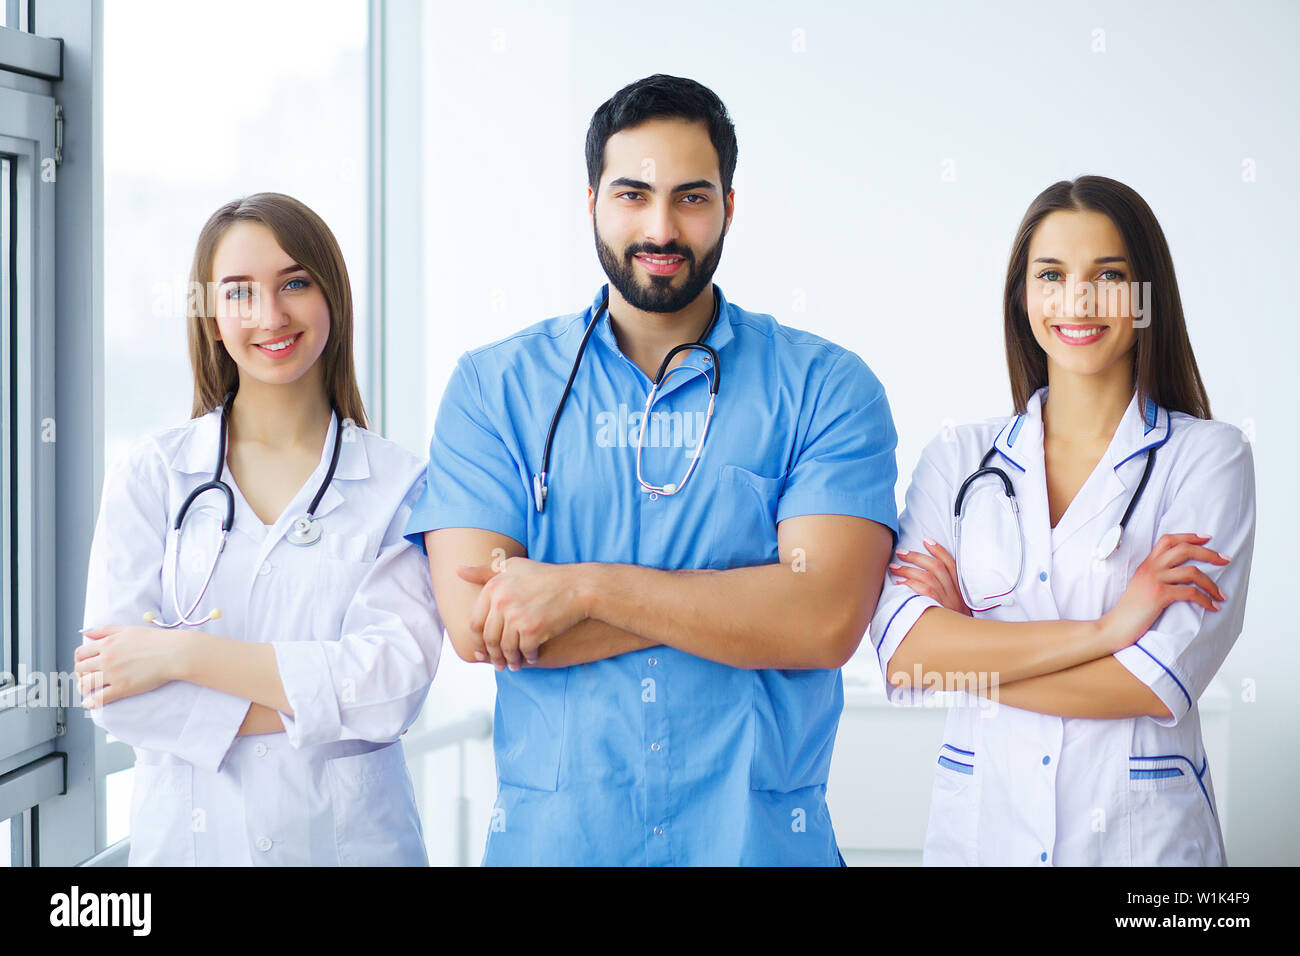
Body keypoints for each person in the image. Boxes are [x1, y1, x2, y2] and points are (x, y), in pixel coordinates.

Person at [404, 74, 899, 865]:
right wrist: (739, 607)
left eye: (692, 198)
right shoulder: (495, 387)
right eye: (633, 194)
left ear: (730, 207)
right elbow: (479, 626)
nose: (661, 227)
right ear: (592, 199)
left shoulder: (825, 387)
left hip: (758, 846)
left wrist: (579, 588)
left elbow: (822, 623)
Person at [872, 175, 1255, 866]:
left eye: (1108, 275)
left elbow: (1150, 681)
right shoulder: (958, 457)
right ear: (1024, 296)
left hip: (1142, 846)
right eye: (1051, 274)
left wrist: (968, 652)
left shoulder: (1209, 458)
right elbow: (905, 655)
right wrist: (1109, 631)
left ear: (1147, 298)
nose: (1077, 300)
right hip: (984, 833)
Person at [76, 193, 442, 866]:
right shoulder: (153, 476)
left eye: (294, 283)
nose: (270, 315)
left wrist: (179, 657)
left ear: (331, 297)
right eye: (239, 292)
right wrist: (323, 700)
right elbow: (114, 693)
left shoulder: (401, 486)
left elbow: (393, 686)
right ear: (212, 318)